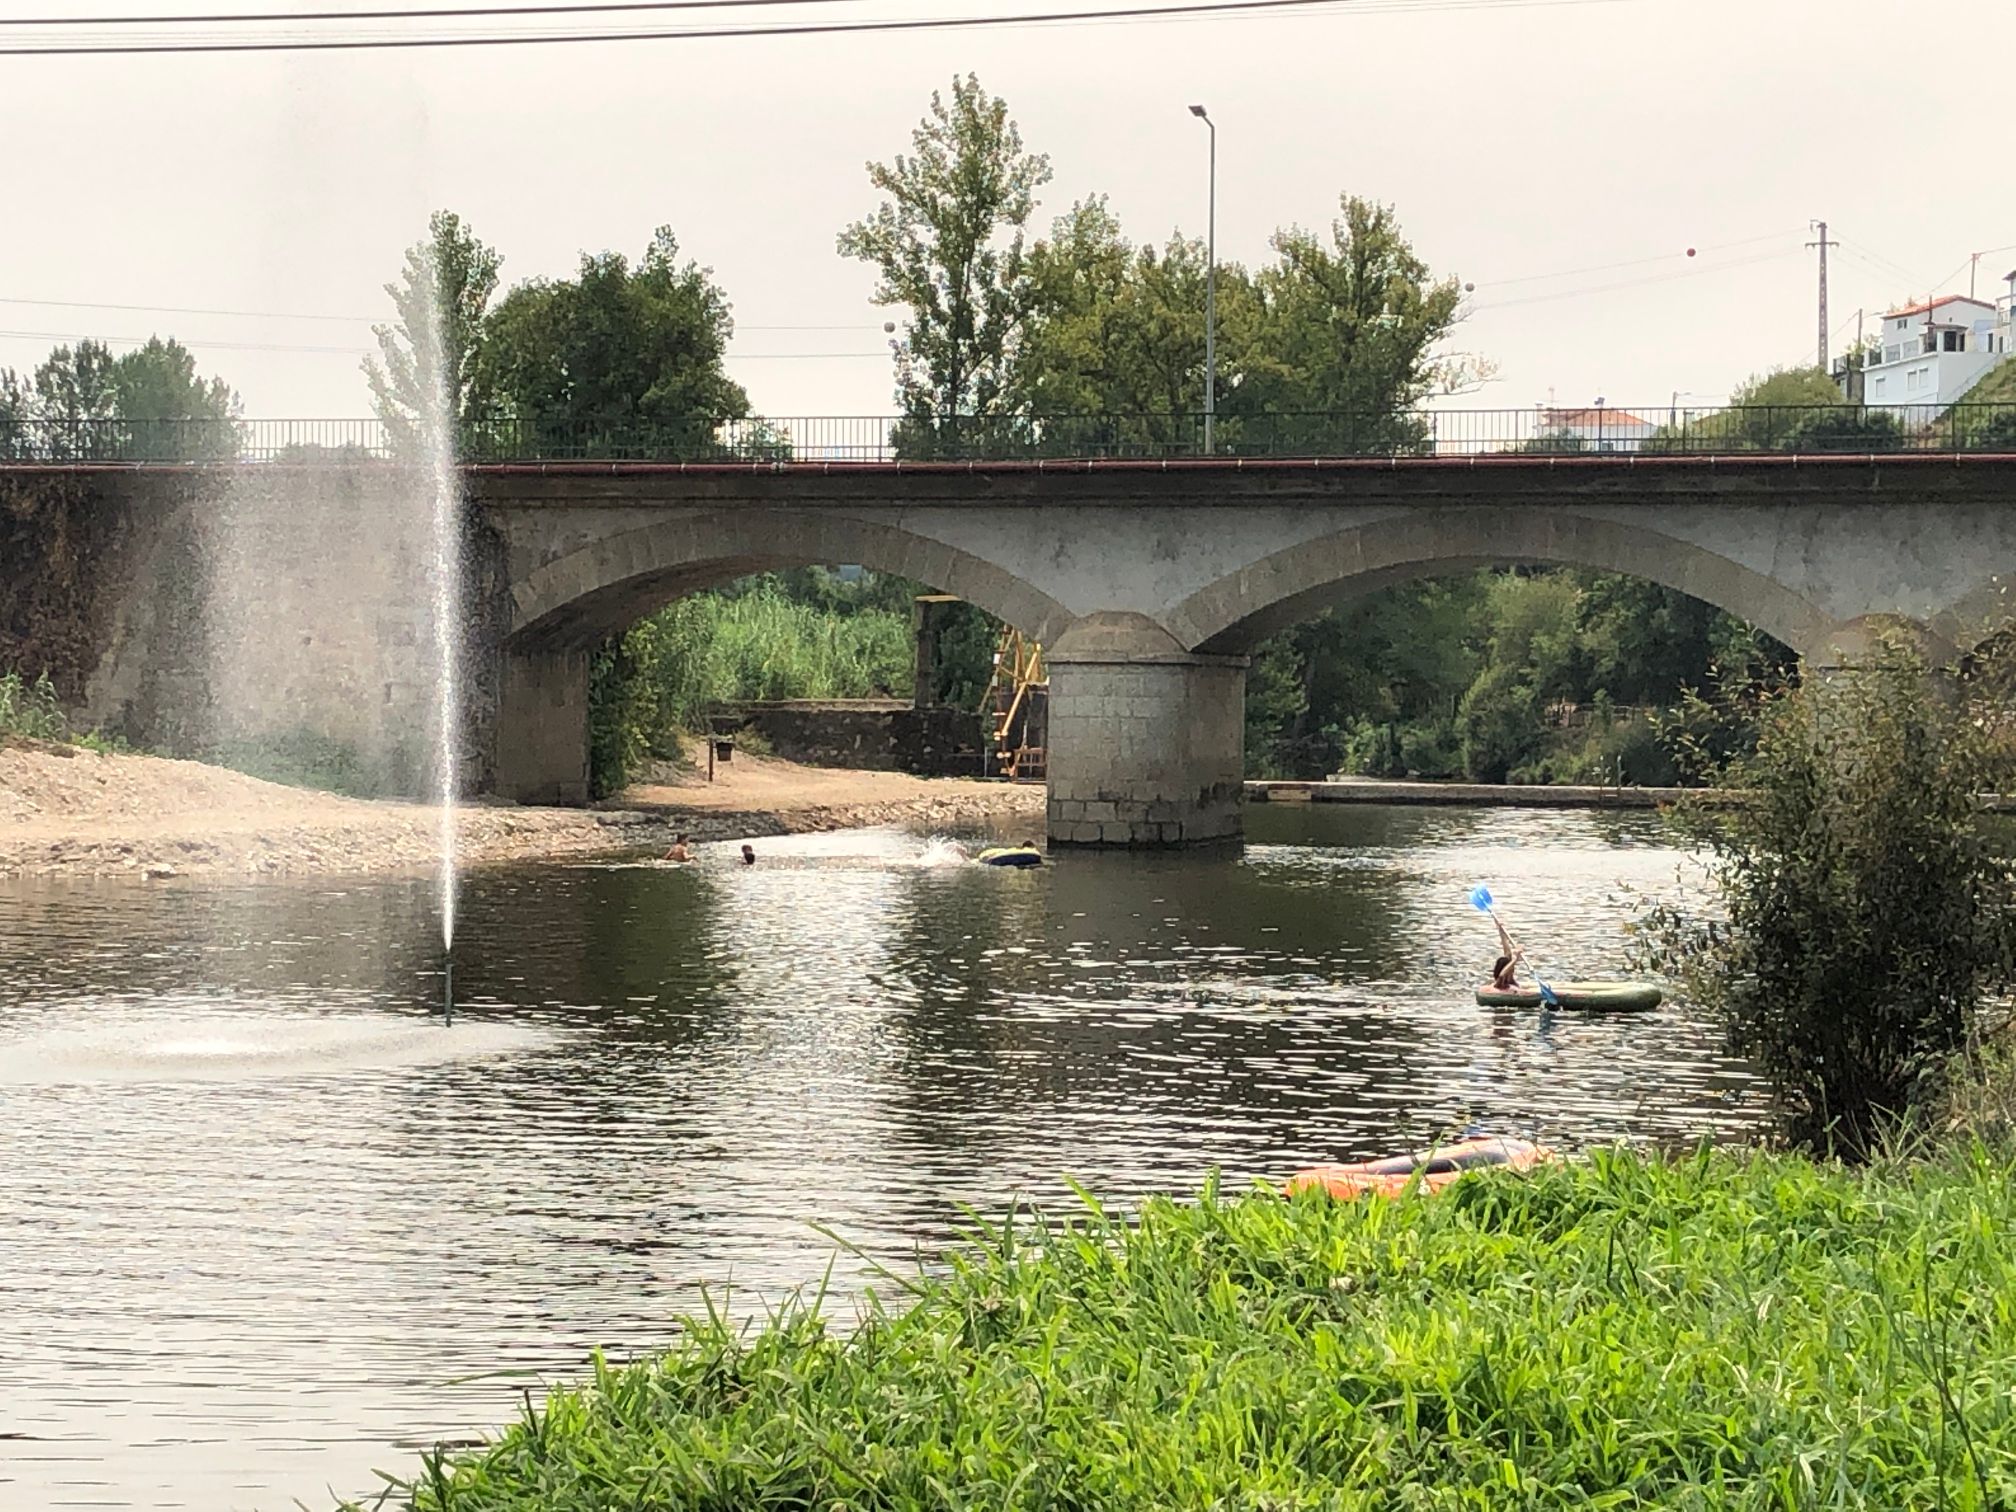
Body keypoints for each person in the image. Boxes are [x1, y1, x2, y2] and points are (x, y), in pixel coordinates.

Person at [1488, 914, 1524, 991]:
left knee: (1508, 955)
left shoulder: (1510, 979)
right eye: (1510, 967)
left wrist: (1501, 931)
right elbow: (1501, 975)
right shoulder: (1500, 983)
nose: (1512, 969)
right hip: (1501, 994)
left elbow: (1507, 952)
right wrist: (1515, 960)